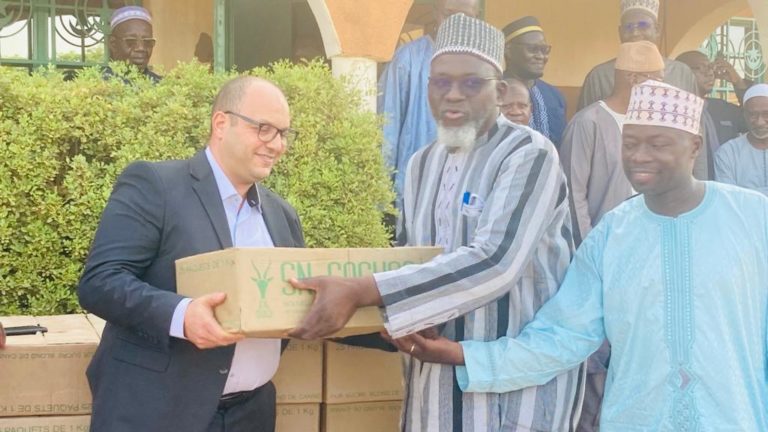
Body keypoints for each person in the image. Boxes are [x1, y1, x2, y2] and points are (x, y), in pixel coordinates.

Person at [390, 80, 768, 431]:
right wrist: (462, 355)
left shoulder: (753, 218)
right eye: (630, 143)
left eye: (658, 144)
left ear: (695, 146)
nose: (639, 156)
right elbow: (561, 337)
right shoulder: (612, 234)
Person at [290, 13, 581, 432]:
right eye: (440, 82)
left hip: (516, 387)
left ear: (499, 91)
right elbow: (414, 258)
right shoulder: (419, 165)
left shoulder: (529, 154)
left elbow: (496, 261)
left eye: (471, 83)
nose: (453, 95)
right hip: (435, 383)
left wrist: (362, 291)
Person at [78, 76, 304, 432]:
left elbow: (297, 299)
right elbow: (100, 282)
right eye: (264, 129)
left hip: (252, 414)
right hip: (157, 412)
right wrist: (181, 316)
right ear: (221, 123)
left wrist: (391, 320)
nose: (277, 145)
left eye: (283, 133)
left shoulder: (282, 214)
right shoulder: (155, 185)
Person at [559, 40, 664, 432]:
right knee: (597, 360)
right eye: (656, 78)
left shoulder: (651, 127)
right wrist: (594, 259)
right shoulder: (589, 122)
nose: (660, 85)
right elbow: (574, 195)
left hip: (648, 266)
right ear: (636, 77)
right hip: (600, 264)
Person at [378, 0, 480, 209]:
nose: (457, 25)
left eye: (466, 18)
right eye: (450, 16)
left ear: (476, 19)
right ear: (436, 13)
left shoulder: (482, 66)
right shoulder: (407, 60)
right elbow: (387, 130)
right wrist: (382, 201)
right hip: (414, 193)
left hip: (465, 195)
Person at [577, 0, 696, 111]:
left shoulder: (682, 74)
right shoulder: (599, 77)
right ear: (620, 33)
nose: (635, 33)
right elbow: (586, 125)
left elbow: (695, 127)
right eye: (628, 27)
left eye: (643, 25)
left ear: (657, 30)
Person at [502, 16, 567, 148]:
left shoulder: (554, 96)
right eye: (532, 49)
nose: (541, 56)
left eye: (545, 50)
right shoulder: (493, 92)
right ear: (508, 51)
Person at [676, 50, 749, 153]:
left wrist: (738, 82)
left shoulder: (722, 108)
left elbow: (753, 119)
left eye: (711, 67)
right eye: (701, 68)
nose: (710, 73)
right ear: (681, 72)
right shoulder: (673, 111)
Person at [715, 83, 768, 196]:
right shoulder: (728, 153)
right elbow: (728, 197)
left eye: (766, 114)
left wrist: (743, 193)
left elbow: (737, 196)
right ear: (744, 115)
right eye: (753, 115)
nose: (760, 122)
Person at [103, 6, 162, 83]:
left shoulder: (162, 85)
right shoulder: (98, 86)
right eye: (131, 41)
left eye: (147, 42)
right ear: (113, 44)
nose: (141, 48)